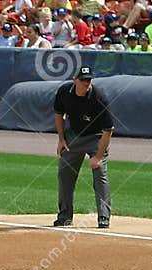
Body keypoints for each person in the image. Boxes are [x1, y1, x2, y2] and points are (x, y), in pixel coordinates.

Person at [53, 66, 113, 229]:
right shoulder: (65, 91)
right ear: (75, 80)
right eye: (83, 80)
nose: (87, 83)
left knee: (100, 175)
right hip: (74, 136)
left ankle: (103, 217)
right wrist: (61, 139)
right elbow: (59, 113)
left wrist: (98, 157)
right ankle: (65, 216)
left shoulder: (99, 96)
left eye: (89, 80)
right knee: (65, 175)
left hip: (96, 137)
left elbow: (108, 130)